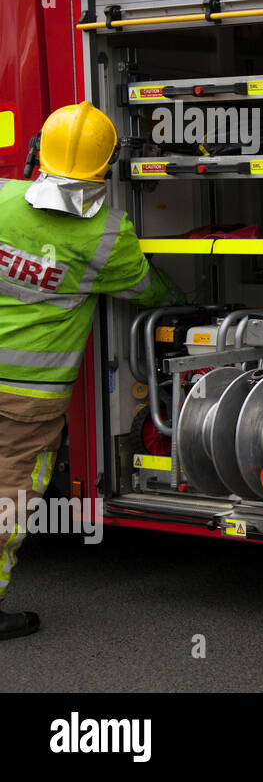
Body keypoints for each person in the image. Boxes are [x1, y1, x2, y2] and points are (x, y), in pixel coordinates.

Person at [0, 101, 180, 639]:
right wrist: (186, 300)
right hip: (30, 398)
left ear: (36, 151)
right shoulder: (105, 232)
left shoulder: (3, 199)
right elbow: (147, 288)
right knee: (10, 491)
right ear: (107, 167)